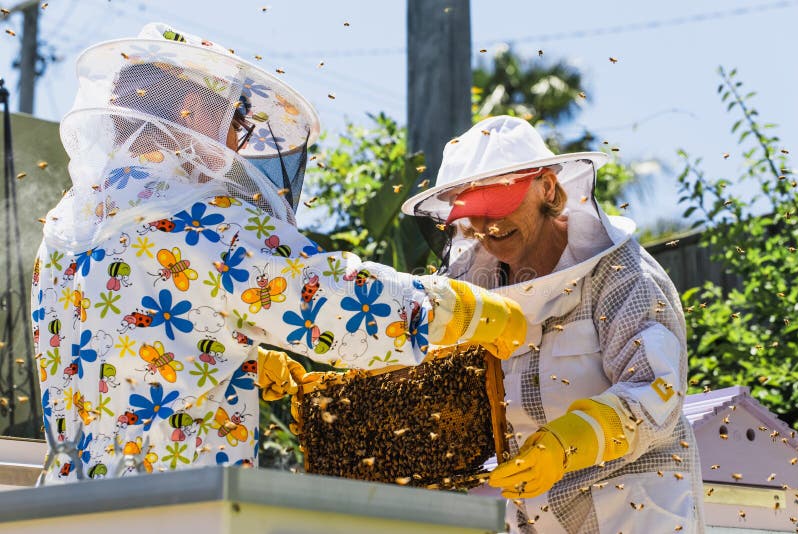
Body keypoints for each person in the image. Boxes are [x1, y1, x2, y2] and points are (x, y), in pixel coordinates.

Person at [31, 24, 525, 484]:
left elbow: (122, 344)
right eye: (237, 119)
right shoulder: (203, 216)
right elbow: (327, 299)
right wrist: (456, 309)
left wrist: (221, 343)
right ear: (188, 110)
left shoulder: (65, 229)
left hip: (68, 503)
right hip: (171, 507)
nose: (237, 143)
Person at [402, 116, 703, 533]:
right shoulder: (473, 281)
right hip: (531, 517)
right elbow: (423, 369)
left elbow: (656, 392)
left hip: (635, 512)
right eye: (475, 214)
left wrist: (568, 442)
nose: (488, 226)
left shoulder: (622, 275)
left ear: (548, 187)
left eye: (499, 206)